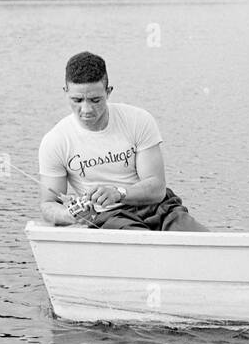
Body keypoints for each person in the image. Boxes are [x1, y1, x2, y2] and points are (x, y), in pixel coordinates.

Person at [38, 51, 208, 231]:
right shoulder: (55, 141)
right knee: (142, 243)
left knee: (203, 240)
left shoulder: (138, 120)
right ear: (66, 93)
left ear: (108, 92)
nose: (86, 109)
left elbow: (157, 188)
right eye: (77, 100)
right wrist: (68, 215)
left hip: (159, 207)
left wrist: (118, 193)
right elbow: (48, 205)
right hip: (110, 217)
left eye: (95, 100)